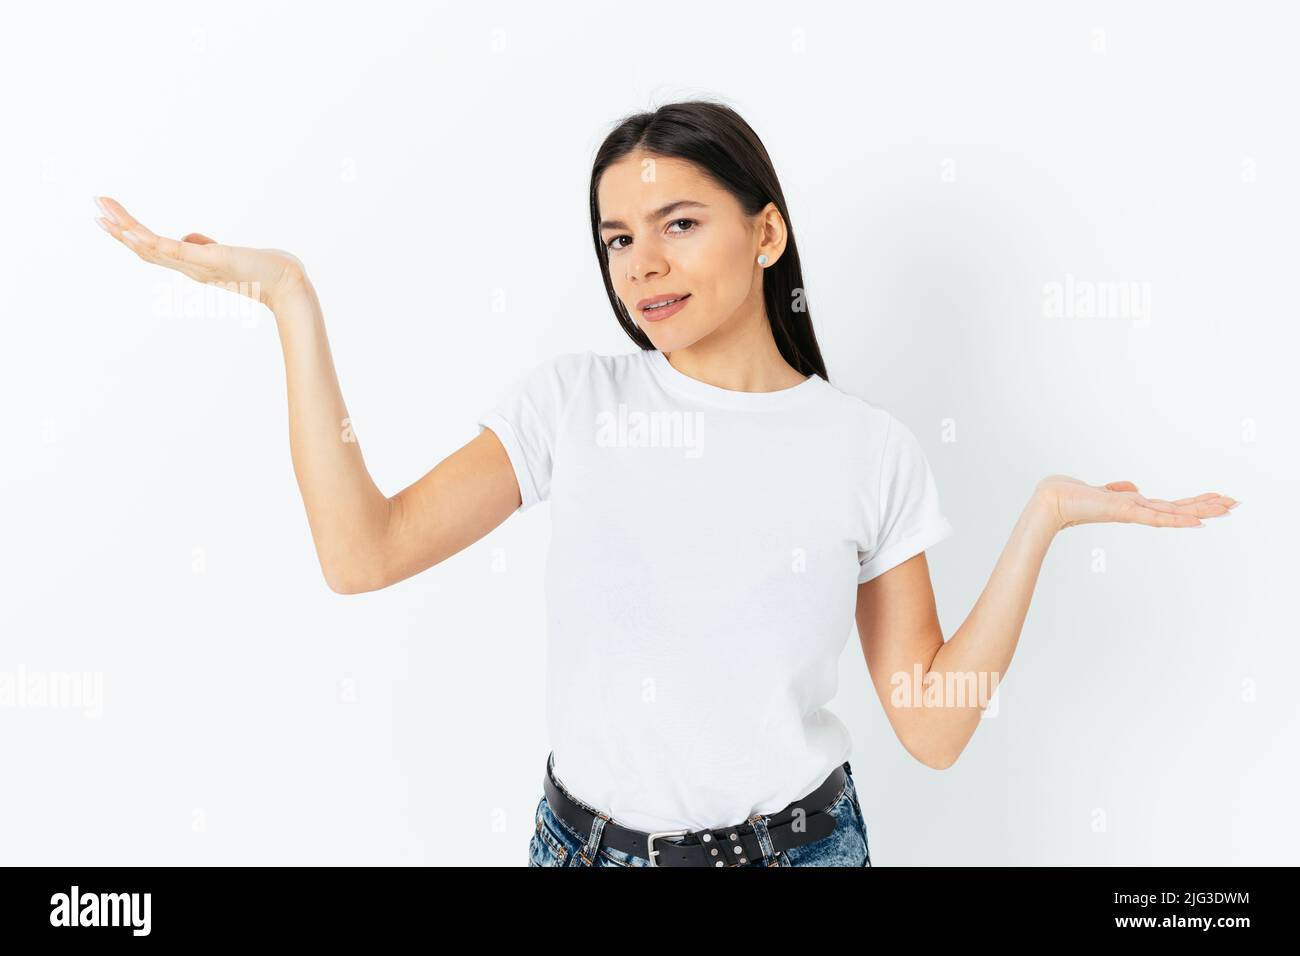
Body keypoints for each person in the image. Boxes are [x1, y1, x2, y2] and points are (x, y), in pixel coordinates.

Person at [92, 99, 1235, 868]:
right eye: (616, 237)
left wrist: (1040, 518)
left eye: (678, 223)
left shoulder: (868, 447)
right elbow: (363, 551)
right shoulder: (577, 403)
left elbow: (930, 731)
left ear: (767, 231)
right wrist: (290, 297)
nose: (640, 263)